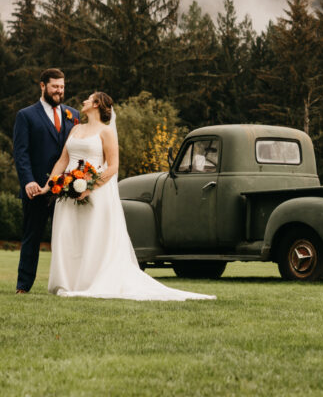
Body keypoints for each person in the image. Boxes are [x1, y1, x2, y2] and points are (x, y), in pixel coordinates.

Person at [46, 91, 214, 301]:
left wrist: (89, 187)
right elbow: (63, 160)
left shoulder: (106, 132)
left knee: (92, 235)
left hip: (94, 191)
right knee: (70, 234)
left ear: (97, 104)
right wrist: (53, 184)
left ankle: (90, 281)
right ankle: (67, 282)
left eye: (89, 99)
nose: (84, 101)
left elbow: (113, 166)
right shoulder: (76, 128)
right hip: (68, 191)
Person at [12, 68, 77, 294]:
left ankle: (68, 284)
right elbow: (21, 153)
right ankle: (23, 286)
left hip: (68, 190)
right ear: (42, 86)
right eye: (54, 86)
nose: (59, 91)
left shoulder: (73, 114)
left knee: (68, 239)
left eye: (62, 86)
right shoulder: (26, 115)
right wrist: (28, 181)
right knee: (32, 237)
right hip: (37, 189)